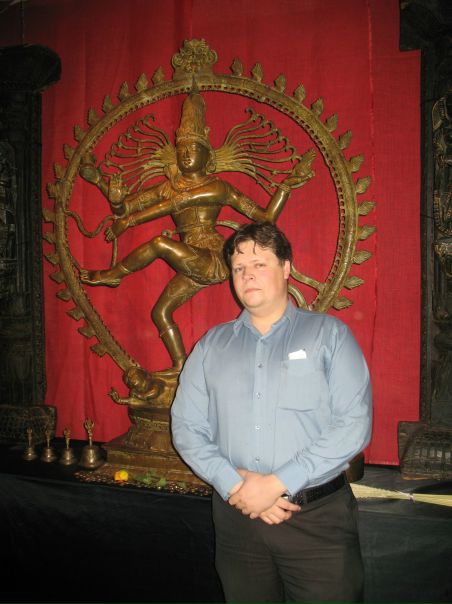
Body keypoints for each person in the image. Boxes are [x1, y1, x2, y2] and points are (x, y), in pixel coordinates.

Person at [171, 222, 372, 604]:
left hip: (316, 523)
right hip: (237, 520)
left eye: (259, 264)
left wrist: (277, 482)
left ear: (286, 268)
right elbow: (185, 427)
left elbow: (354, 424)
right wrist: (235, 486)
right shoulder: (211, 345)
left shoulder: (329, 335)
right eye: (238, 268)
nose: (247, 275)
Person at [79, 92, 312, 395]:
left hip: (212, 256)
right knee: (160, 312)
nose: (186, 155)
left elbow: (264, 217)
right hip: (191, 261)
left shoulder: (217, 187)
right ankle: (180, 366)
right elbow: (127, 208)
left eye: (192, 148)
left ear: (206, 154)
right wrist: (110, 192)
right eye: (181, 150)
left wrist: (285, 187)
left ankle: (115, 274)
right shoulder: (168, 186)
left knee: (161, 243)